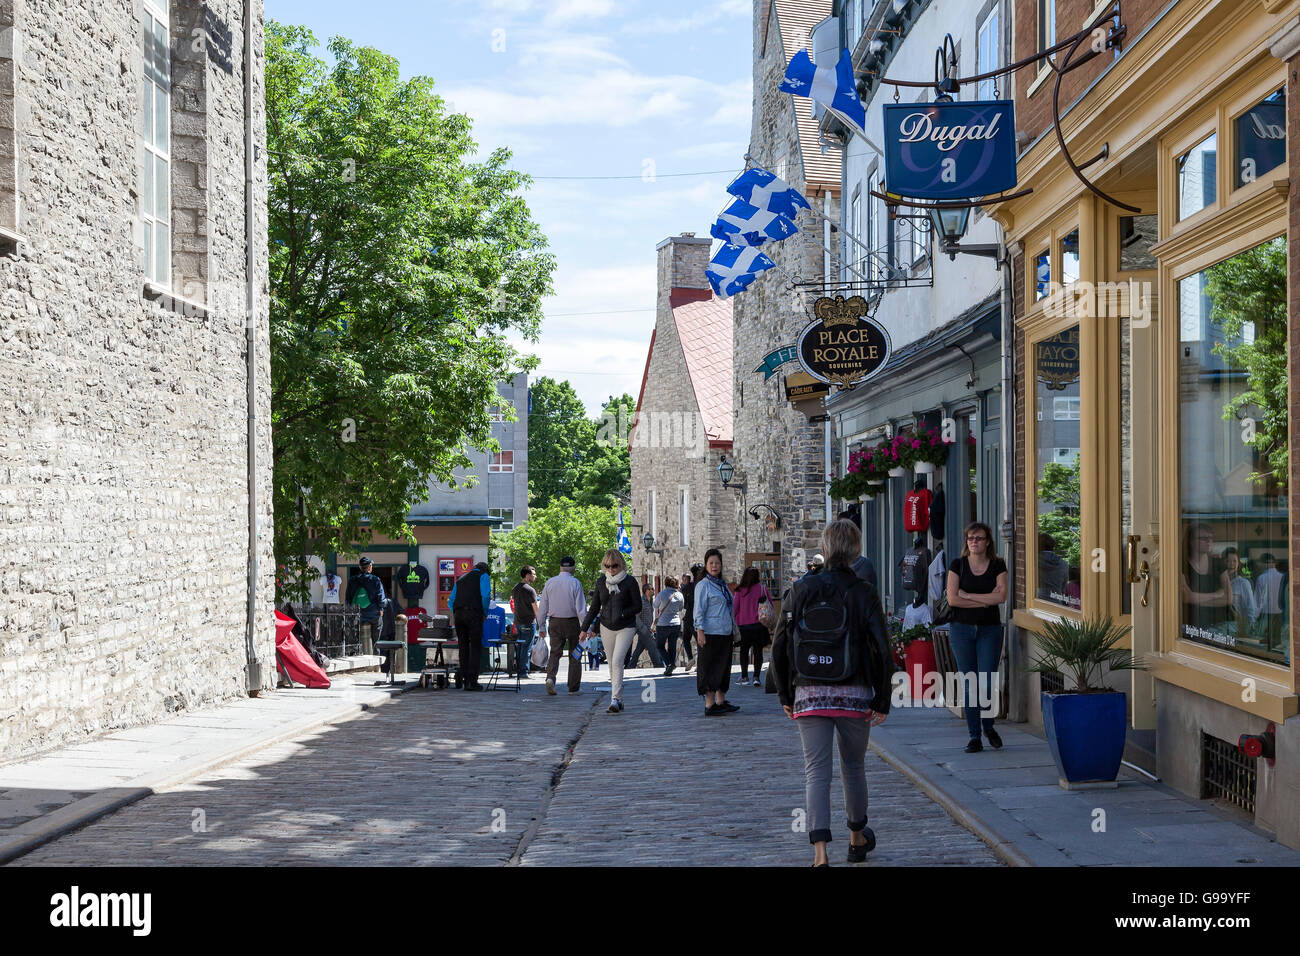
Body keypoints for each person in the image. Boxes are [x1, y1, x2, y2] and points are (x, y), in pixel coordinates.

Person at [771, 519, 892, 867]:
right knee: (853, 767)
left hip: (810, 690)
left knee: (816, 771)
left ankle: (820, 853)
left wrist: (785, 693)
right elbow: (882, 648)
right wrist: (882, 698)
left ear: (824, 549)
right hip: (853, 690)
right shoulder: (863, 591)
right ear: (855, 552)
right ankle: (856, 839)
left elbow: (780, 643)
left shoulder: (801, 589)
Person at [946, 522, 1008, 753]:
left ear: (988, 541)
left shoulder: (998, 565)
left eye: (979, 538)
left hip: (989, 630)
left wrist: (969, 595)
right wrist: (984, 599)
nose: (974, 542)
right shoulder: (957, 565)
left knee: (987, 681)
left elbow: (1001, 597)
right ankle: (975, 736)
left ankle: (989, 726)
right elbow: (953, 599)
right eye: (971, 538)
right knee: (970, 682)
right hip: (961, 629)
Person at [581, 550, 642, 714]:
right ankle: (618, 699)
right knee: (611, 664)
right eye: (608, 566)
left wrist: (623, 613)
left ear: (621, 564)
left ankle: (615, 699)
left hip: (626, 626)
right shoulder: (602, 582)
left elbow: (638, 606)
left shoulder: (630, 582)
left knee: (617, 661)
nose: (611, 569)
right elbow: (594, 608)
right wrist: (584, 628)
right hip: (606, 626)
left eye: (614, 566)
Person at [694, 549, 738, 716]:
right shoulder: (703, 585)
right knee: (710, 667)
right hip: (710, 632)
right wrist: (700, 631)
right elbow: (699, 610)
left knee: (723, 667)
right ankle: (709, 704)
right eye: (711, 563)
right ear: (706, 565)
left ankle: (721, 700)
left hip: (725, 632)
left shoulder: (722, 586)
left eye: (717, 563)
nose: (714, 566)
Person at [538, 556, 587, 695]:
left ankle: (551, 678)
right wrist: (586, 628)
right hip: (572, 622)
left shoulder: (550, 582)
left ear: (560, 567)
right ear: (573, 568)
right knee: (575, 654)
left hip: (554, 621)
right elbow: (581, 609)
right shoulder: (575, 583)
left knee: (555, 652)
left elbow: (543, 607)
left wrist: (541, 626)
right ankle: (573, 687)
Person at [1180, 523, 1230, 642]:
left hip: (1219, 628)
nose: (1209, 541)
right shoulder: (1181, 564)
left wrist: (1196, 600)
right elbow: (1186, 597)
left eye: (1211, 538)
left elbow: (1228, 598)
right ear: (1191, 541)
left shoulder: (1218, 564)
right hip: (1192, 628)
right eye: (1203, 538)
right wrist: (1216, 594)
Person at [449, 561, 492, 691]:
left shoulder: (461, 579)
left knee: (463, 647)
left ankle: (465, 679)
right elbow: (485, 596)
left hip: (459, 614)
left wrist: (457, 612)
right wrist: (484, 612)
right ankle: (472, 682)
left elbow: (451, 601)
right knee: (475, 647)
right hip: (474, 613)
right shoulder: (484, 576)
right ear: (485, 571)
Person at [733, 567, 771, 686]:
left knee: (743, 652)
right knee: (758, 652)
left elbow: (735, 608)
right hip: (759, 625)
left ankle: (744, 676)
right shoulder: (762, 589)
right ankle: (756, 677)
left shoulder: (740, 590)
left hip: (743, 627)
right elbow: (770, 605)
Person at [345, 558, 388, 659]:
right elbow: (381, 598)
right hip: (374, 614)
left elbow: (348, 599)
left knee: (357, 639)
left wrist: (350, 612)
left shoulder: (352, 580)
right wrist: (382, 608)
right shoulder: (375, 580)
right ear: (369, 567)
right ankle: (376, 664)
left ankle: (359, 660)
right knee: (376, 641)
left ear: (360, 567)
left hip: (358, 614)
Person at [625, 581, 664, 670]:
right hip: (643, 630)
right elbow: (636, 617)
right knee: (653, 647)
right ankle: (659, 667)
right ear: (645, 591)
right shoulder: (641, 602)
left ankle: (630, 667)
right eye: (649, 589)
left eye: (652, 589)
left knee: (639, 649)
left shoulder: (650, 602)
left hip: (647, 629)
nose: (652, 591)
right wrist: (643, 628)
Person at [1222, 548, 1258, 641]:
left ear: (1238, 563)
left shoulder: (1243, 583)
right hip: (1220, 628)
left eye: (1235, 561)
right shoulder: (1219, 581)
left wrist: (1251, 628)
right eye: (1228, 561)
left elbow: (1251, 607)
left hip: (1236, 629)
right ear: (1223, 562)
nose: (1232, 564)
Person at [511, 566, 540, 680]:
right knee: (526, 648)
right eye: (533, 574)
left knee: (520, 647)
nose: (535, 576)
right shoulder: (530, 590)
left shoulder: (515, 588)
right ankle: (523, 672)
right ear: (527, 575)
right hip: (528, 622)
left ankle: (520, 670)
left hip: (518, 622)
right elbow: (535, 608)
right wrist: (540, 622)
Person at [654, 577, 685, 676]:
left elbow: (655, 605)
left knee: (659, 646)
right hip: (676, 624)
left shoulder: (662, 594)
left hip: (663, 624)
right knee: (672, 646)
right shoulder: (679, 595)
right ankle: (670, 665)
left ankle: (669, 664)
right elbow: (680, 608)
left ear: (665, 583)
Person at [1254, 553, 1285, 650]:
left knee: (1266, 639)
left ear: (1264, 563)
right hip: (1280, 612)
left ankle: (1268, 656)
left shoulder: (1261, 578)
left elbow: (1258, 600)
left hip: (1266, 613)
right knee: (1278, 639)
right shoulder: (1283, 577)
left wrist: (1254, 617)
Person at [1038, 533, 1070, 604]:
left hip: (1038, 603)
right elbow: (1063, 588)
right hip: (1056, 603)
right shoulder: (1064, 564)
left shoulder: (1032, 561)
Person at [680, 568, 701, 672]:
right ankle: (697, 661)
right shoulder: (699, 586)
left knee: (687, 639)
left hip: (689, 617)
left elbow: (684, 604)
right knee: (697, 640)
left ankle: (691, 658)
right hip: (696, 616)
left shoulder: (686, 588)